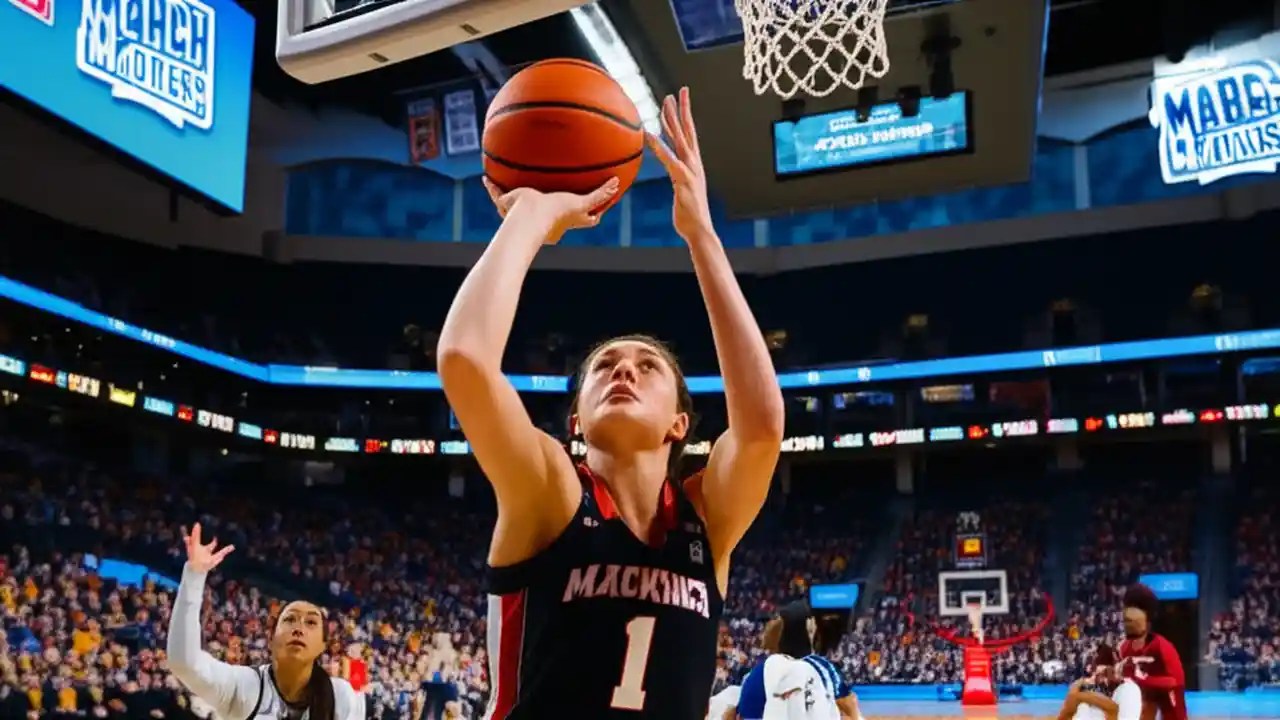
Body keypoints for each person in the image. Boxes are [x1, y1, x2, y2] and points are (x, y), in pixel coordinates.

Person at [438, 87, 785, 719]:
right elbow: (463, 360)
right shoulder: (549, 494)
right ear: (576, 421)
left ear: (680, 423)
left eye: (647, 367)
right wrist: (529, 219)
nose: (623, 370)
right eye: (604, 366)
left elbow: (761, 428)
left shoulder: (705, 519)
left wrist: (701, 235)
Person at [167, 523, 365, 720]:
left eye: (311, 623)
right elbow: (185, 663)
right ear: (271, 637)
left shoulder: (340, 696)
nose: (299, 628)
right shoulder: (245, 687)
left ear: (323, 645)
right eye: (290, 619)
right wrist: (194, 576)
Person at [736, 602, 862, 720]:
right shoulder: (820, 666)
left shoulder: (760, 672)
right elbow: (850, 706)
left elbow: (745, 713)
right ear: (809, 627)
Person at [1117, 584, 1186, 720]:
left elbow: (1175, 682)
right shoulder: (1125, 648)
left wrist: (1142, 679)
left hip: (1169, 696)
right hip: (1146, 695)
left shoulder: (1162, 647)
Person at [1057, 644, 1142, 720]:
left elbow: (1113, 709)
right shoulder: (1086, 687)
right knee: (1083, 706)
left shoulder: (1127, 689)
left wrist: (1081, 695)